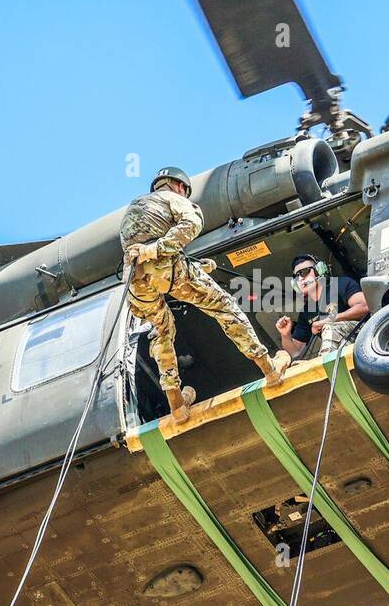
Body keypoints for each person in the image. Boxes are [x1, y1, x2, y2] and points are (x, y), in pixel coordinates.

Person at [120, 166, 287, 423]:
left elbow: (148, 258)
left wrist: (193, 266)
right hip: (163, 266)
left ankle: (176, 403)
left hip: (135, 281)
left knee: (162, 331)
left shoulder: (134, 208)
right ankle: (269, 368)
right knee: (224, 308)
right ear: (179, 187)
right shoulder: (174, 199)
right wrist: (158, 249)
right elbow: (191, 225)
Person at [273, 253, 368, 366]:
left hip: (364, 335)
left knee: (329, 327)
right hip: (343, 349)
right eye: (296, 276)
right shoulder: (306, 311)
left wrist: (328, 320)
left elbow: (364, 306)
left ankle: (324, 366)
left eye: (304, 272)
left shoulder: (340, 284)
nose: (301, 278)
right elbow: (295, 352)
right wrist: (285, 334)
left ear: (319, 270)